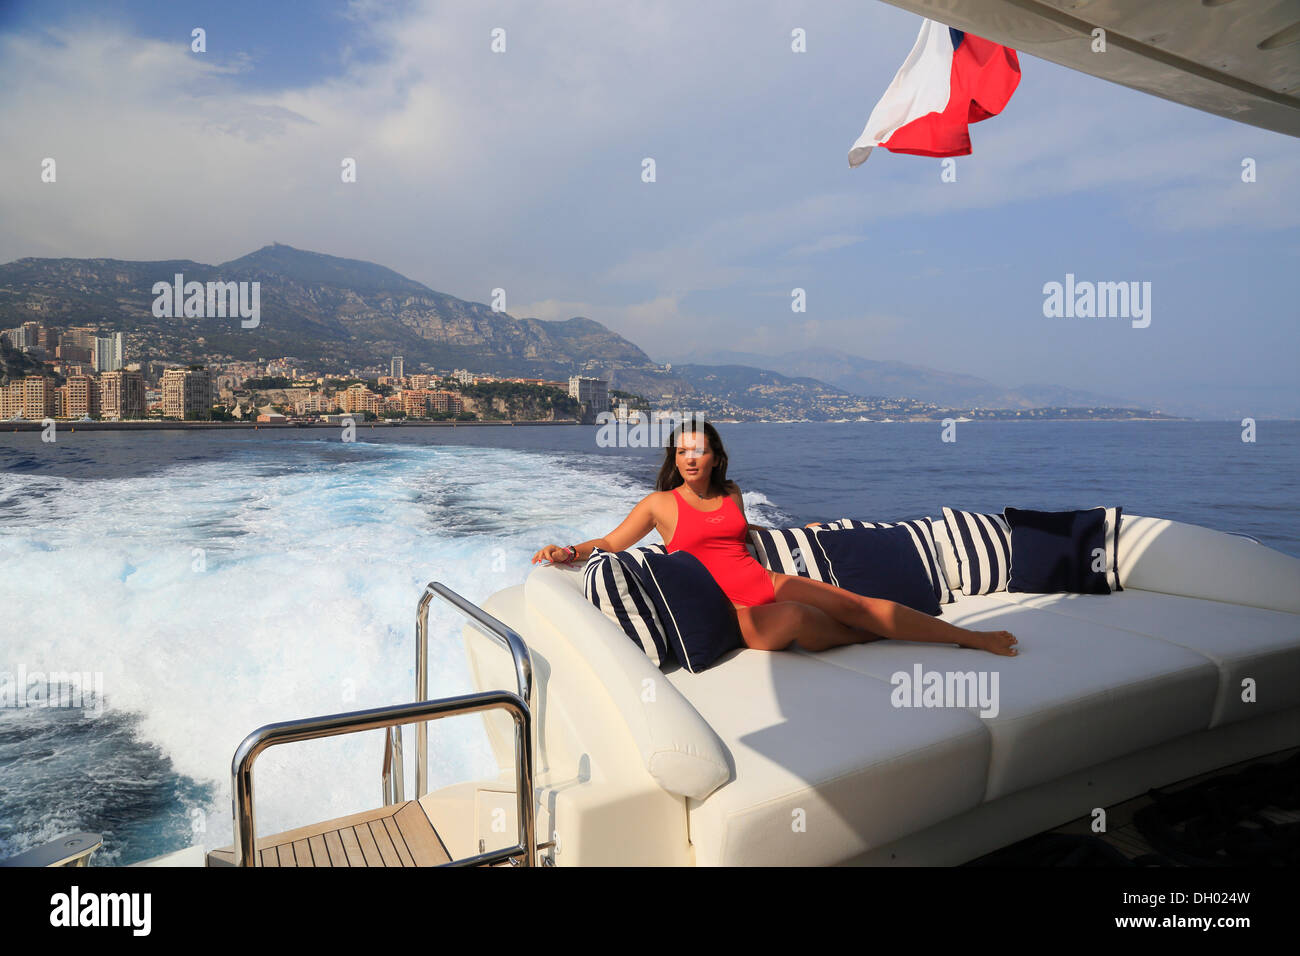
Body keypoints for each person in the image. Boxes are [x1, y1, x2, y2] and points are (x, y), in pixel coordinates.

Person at [532, 421, 1018, 656]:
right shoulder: (660, 505)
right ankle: (881, 634)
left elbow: (740, 533)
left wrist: (796, 532)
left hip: (767, 581)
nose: (690, 460)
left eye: (699, 451)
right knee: (798, 620)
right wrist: (570, 551)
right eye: (682, 453)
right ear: (675, 459)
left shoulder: (732, 494)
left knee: (855, 602)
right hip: (731, 610)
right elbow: (614, 544)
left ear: (716, 457)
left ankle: (966, 637)